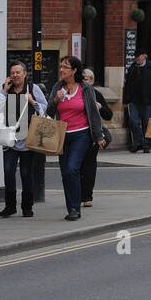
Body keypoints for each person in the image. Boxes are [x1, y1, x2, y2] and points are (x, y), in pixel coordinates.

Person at [46, 56, 105, 221]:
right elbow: (49, 112)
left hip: (82, 135)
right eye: (61, 66)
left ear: (74, 70)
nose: (61, 70)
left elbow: (93, 112)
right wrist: (56, 100)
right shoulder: (58, 87)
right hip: (63, 135)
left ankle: (75, 207)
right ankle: (71, 207)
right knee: (66, 173)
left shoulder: (85, 88)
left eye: (65, 67)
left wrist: (99, 136)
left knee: (72, 168)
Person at [0, 62, 46, 218]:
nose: (15, 75)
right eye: (12, 73)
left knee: (26, 173)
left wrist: (32, 101)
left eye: (18, 72)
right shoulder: (7, 89)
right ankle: (10, 206)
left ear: (25, 74)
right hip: (10, 139)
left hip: (28, 138)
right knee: (8, 171)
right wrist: (3, 92)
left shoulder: (33, 89)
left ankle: (27, 206)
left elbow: (45, 107)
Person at [79, 68, 113, 206]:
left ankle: (87, 197)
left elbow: (109, 115)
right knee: (75, 167)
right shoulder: (75, 92)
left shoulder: (96, 94)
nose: (84, 82)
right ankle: (77, 194)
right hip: (76, 133)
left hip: (92, 134)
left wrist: (99, 107)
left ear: (92, 81)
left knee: (89, 166)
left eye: (86, 79)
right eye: (82, 79)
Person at [122, 49, 151, 154]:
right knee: (133, 121)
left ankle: (146, 145)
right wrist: (126, 100)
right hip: (134, 101)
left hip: (148, 100)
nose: (137, 59)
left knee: (147, 124)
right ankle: (138, 142)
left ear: (144, 56)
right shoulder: (132, 68)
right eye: (136, 57)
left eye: (139, 57)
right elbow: (127, 85)